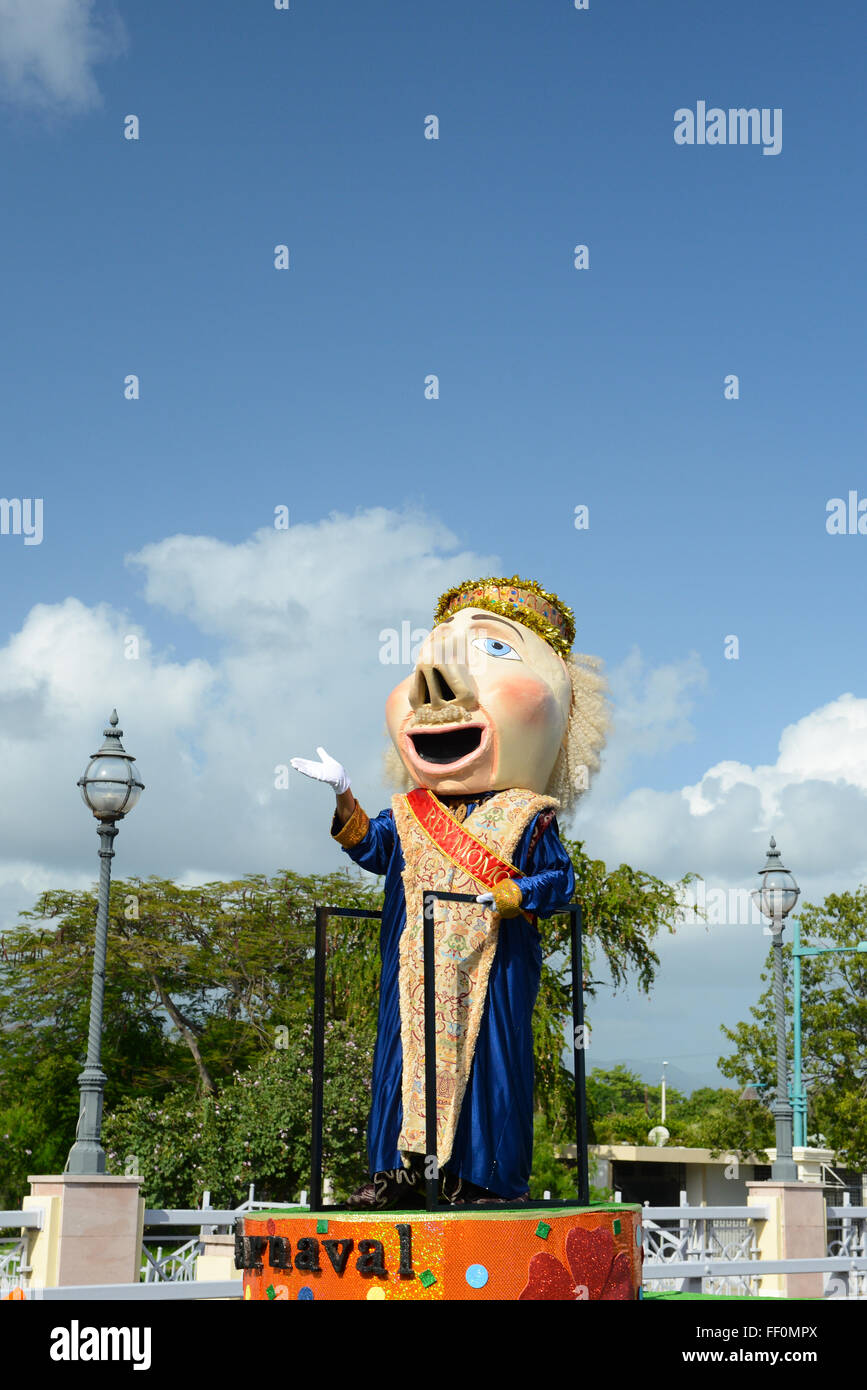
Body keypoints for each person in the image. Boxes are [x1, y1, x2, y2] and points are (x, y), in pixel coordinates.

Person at [292, 576, 608, 1206]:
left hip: (490, 966)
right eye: (433, 657)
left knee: (491, 1063)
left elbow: (562, 880)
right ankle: (399, 1175)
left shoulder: (527, 814)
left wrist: (514, 896)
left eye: (493, 652)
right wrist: (343, 795)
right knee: (401, 1064)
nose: (436, 686)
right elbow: (375, 850)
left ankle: (480, 1177)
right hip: (413, 965)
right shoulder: (409, 812)